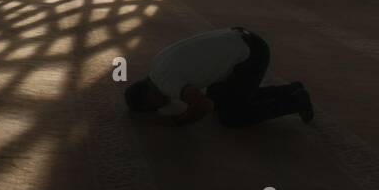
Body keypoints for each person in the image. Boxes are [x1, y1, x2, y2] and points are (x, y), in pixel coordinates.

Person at [124, 27, 313, 127]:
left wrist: (177, 121)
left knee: (232, 117)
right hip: (238, 37)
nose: (161, 106)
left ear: (149, 98)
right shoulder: (157, 64)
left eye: (154, 107)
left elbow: (204, 106)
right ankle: (290, 89)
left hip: (252, 55)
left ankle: (295, 102)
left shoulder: (167, 84)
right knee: (223, 100)